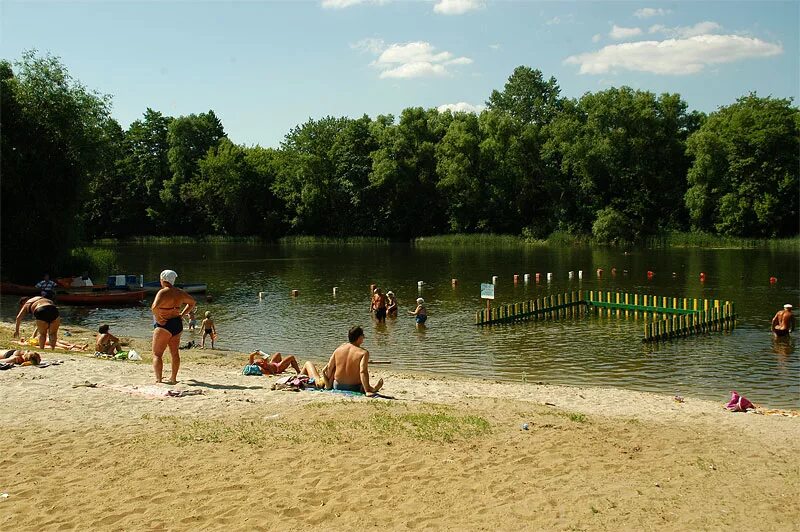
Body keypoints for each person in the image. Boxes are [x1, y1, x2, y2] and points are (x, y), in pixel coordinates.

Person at [151, 269, 195, 384]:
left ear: (162, 279)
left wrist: (159, 318)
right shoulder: (180, 292)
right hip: (176, 323)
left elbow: (154, 307)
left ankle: (159, 379)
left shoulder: (163, 292)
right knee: (174, 353)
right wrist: (182, 314)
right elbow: (192, 303)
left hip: (164, 324)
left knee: (157, 354)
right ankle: (173, 378)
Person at [323, 326, 383, 395]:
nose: (364, 337)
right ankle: (371, 389)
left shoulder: (338, 349)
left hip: (337, 385)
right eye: (363, 335)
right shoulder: (363, 353)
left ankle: (372, 388)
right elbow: (363, 371)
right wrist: (367, 390)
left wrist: (327, 382)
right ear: (359, 338)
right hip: (355, 387)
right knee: (363, 380)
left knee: (335, 368)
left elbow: (330, 367)